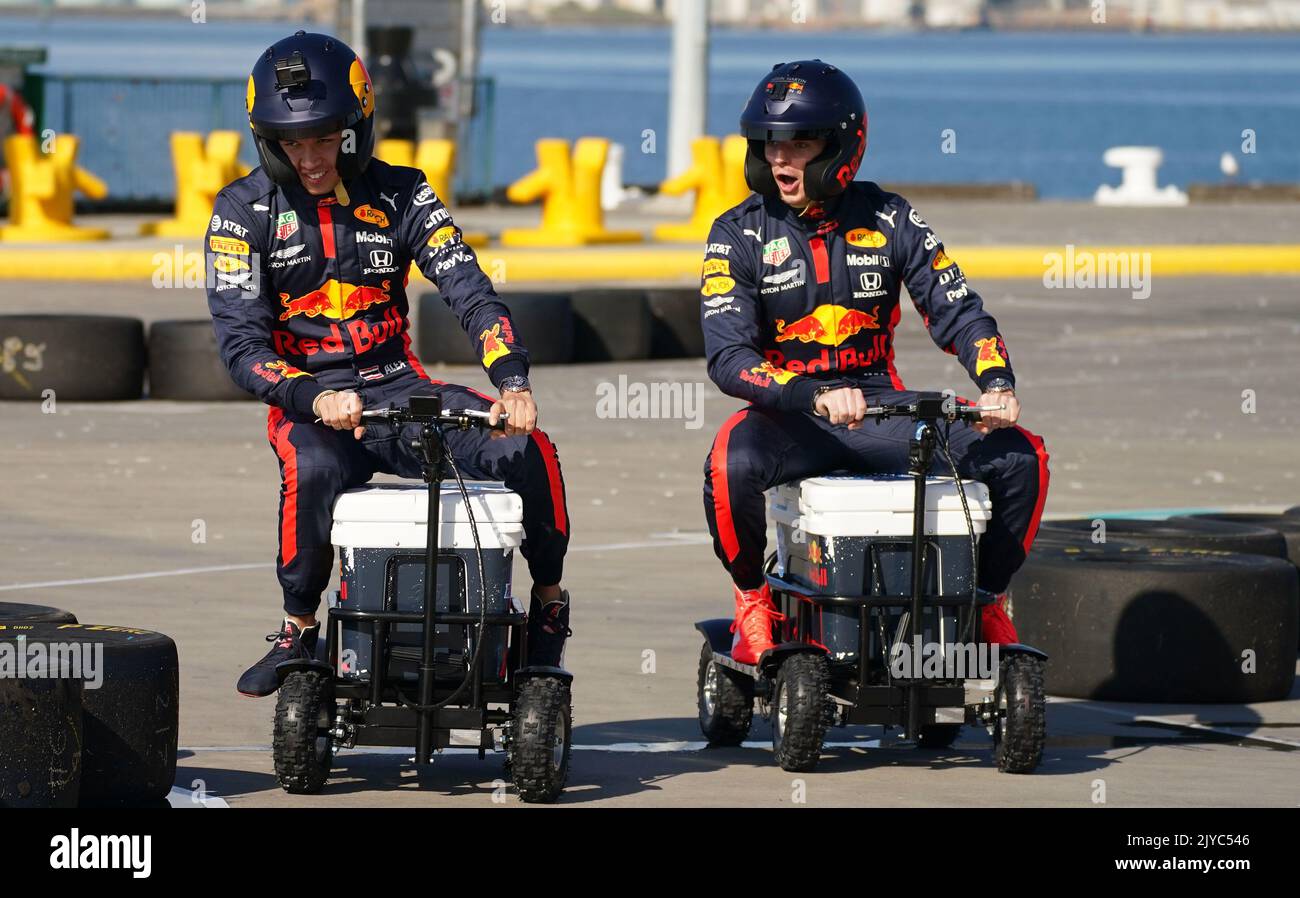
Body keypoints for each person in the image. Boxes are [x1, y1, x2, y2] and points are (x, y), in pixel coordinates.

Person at [207, 32, 571, 697]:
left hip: (402, 392)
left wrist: (512, 382)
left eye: (325, 139)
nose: (312, 158)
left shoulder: (403, 193)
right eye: (294, 143)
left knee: (530, 452)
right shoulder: (239, 212)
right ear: (268, 139)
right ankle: (297, 628)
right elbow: (240, 347)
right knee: (311, 468)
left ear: (355, 128)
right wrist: (312, 398)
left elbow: (468, 288)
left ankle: (546, 608)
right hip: (312, 406)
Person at [701, 60, 1050, 665]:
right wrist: (808, 393)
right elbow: (729, 357)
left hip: (882, 410)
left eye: (801, 145)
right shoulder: (735, 233)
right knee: (730, 462)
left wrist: (996, 382)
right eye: (772, 144)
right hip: (790, 416)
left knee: (1022, 457)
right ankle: (753, 601)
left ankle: (986, 602)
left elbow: (959, 311)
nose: (781, 161)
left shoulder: (893, 218)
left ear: (841, 147)